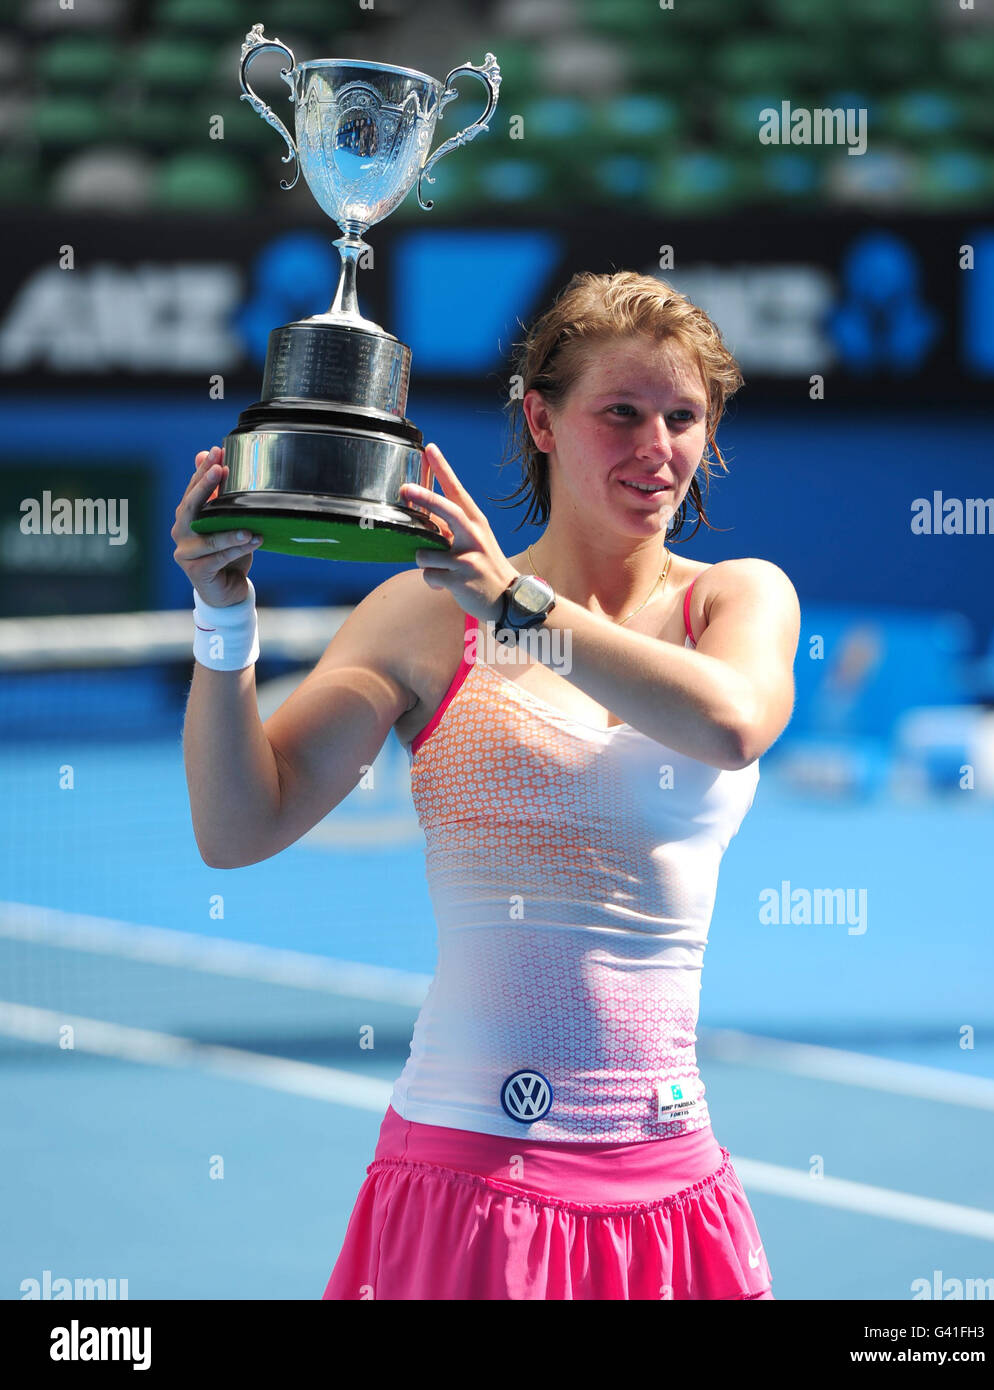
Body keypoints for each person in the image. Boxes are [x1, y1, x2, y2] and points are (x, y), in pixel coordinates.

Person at [171, 270, 800, 1300]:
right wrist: (222, 616)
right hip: (464, 1178)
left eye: (684, 417)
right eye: (621, 414)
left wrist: (516, 600)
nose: (658, 448)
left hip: (671, 1187)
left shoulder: (739, 598)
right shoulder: (423, 618)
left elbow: (732, 723)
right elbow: (239, 824)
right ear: (541, 422)